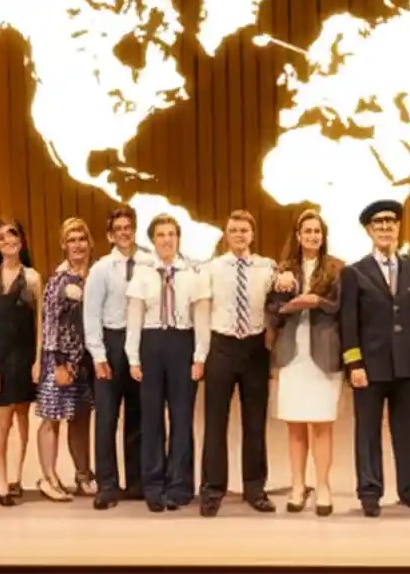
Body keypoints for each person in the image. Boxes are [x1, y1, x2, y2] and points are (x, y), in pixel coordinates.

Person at [340, 199, 410, 518]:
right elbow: (348, 322)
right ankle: (370, 492)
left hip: (406, 365)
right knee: (367, 433)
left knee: (406, 431)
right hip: (370, 367)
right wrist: (354, 364)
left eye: (391, 222)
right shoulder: (354, 272)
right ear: (369, 230)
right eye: (378, 223)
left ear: (398, 228)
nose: (385, 228)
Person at [126, 214, 211, 512]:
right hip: (151, 344)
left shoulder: (192, 274)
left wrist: (199, 356)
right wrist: (133, 358)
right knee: (150, 420)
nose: (166, 240)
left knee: (181, 418)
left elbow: (201, 319)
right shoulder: (143, 275)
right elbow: (134, 319)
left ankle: (179, 486)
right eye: (160, 234)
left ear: (178, 238)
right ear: (153, 240)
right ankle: (153, 485)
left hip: (181, 344)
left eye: (171, 234)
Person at [266, 209, 345, 517]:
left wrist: (319, 302)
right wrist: (288, 304)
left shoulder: (337, 269)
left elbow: (342, 307)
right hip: (292, 357)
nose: (312, 235)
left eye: (317, 231)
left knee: (322, 426)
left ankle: (322, 485)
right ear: (298, 236)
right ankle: (298, 485)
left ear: (323, 236)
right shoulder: (283, 269)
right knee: (296, 426)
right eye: (307, 231)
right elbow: (271, 309)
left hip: (324, 356)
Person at [198, 210, 278, 516]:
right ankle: (212, 489)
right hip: (221, 346)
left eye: (245, 230)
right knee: (215, 422)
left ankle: (255, 488)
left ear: (252, 235)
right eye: (233, 230)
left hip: (255, 348)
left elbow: (278, 302)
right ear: (226, 235)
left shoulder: (267, 267)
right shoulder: (211, 269)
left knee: (255, 423)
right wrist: (202, 354)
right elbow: (204, 313)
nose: (240, 235)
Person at [84, 206, 145, 509]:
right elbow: (91, 313)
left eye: (128, 226)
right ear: (110, 234)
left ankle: (136, 482)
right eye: (118, 228)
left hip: (140, 343)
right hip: (110, 341)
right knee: (107, 417)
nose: (124, 232)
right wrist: (98, 354)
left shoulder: (148, 262)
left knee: (138, 415)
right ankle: (107, 484)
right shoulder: (101, 269)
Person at [0, 218, 42, 507]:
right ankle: (2, 481)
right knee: (2, 420)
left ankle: (17, 477)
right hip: (1, 359)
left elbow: (40, 323)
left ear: (22, 240)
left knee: (22, 416)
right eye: (1, 238)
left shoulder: (32, 278)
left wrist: (38, 361)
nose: (8, 242)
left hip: (25, 356)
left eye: (12, 235)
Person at [34, 217, 96, 502]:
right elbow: (50, 323)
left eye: (81, 239)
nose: (77, 245)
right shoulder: (58, 281)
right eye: (71, 240)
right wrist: (58, 362)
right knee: (52, 416)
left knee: (81, 418)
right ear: (64, 245)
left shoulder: (95, 276)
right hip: (60, 359)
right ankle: (48, 477)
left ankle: (83, 474)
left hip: (86, 361)